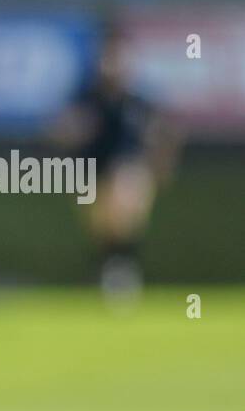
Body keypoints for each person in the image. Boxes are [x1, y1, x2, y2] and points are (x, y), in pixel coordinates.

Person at [53, 21, 181, 300]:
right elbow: (61, 132)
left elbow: (163, 136)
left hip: (127, 168)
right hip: (91, 172)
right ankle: (110, 267)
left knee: (125, 196)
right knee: (103, 225)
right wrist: (72, 133)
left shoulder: (137, 103)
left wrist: (162, 165)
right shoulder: (86, 99)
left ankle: (123, 268)